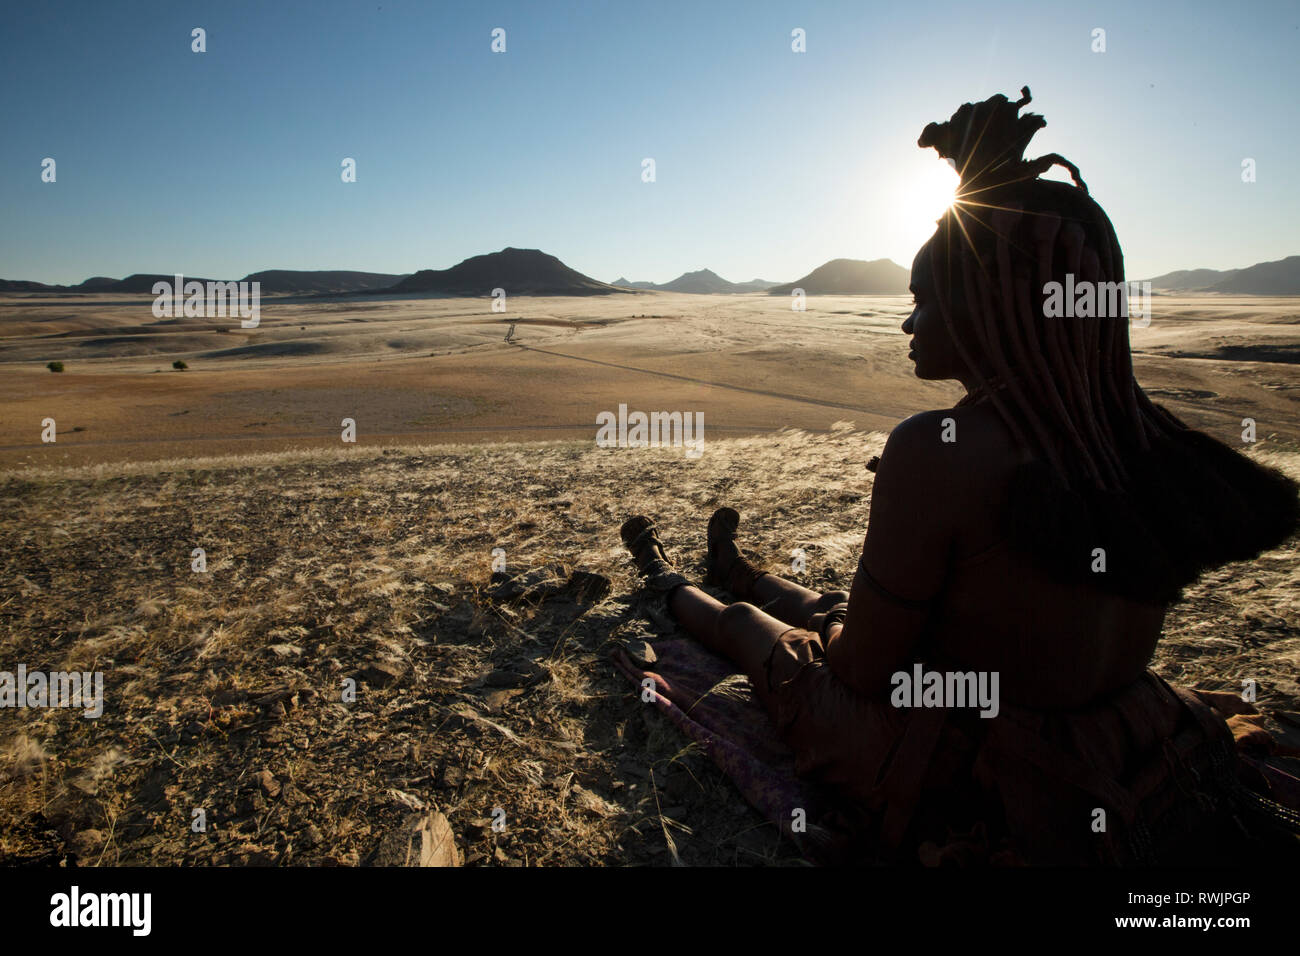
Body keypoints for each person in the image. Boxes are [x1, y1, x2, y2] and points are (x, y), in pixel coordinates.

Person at [619, 87, 1300, 865]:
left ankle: (668, 579)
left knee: (754, 630)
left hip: (965, 754)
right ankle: (736, 566)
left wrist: (840, 631)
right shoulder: (1143, 435)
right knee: (825, 600)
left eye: (922, 302)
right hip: (1117, 719)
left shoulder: (938, 449)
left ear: (986, 302)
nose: (908, 325)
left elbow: (865, 668)